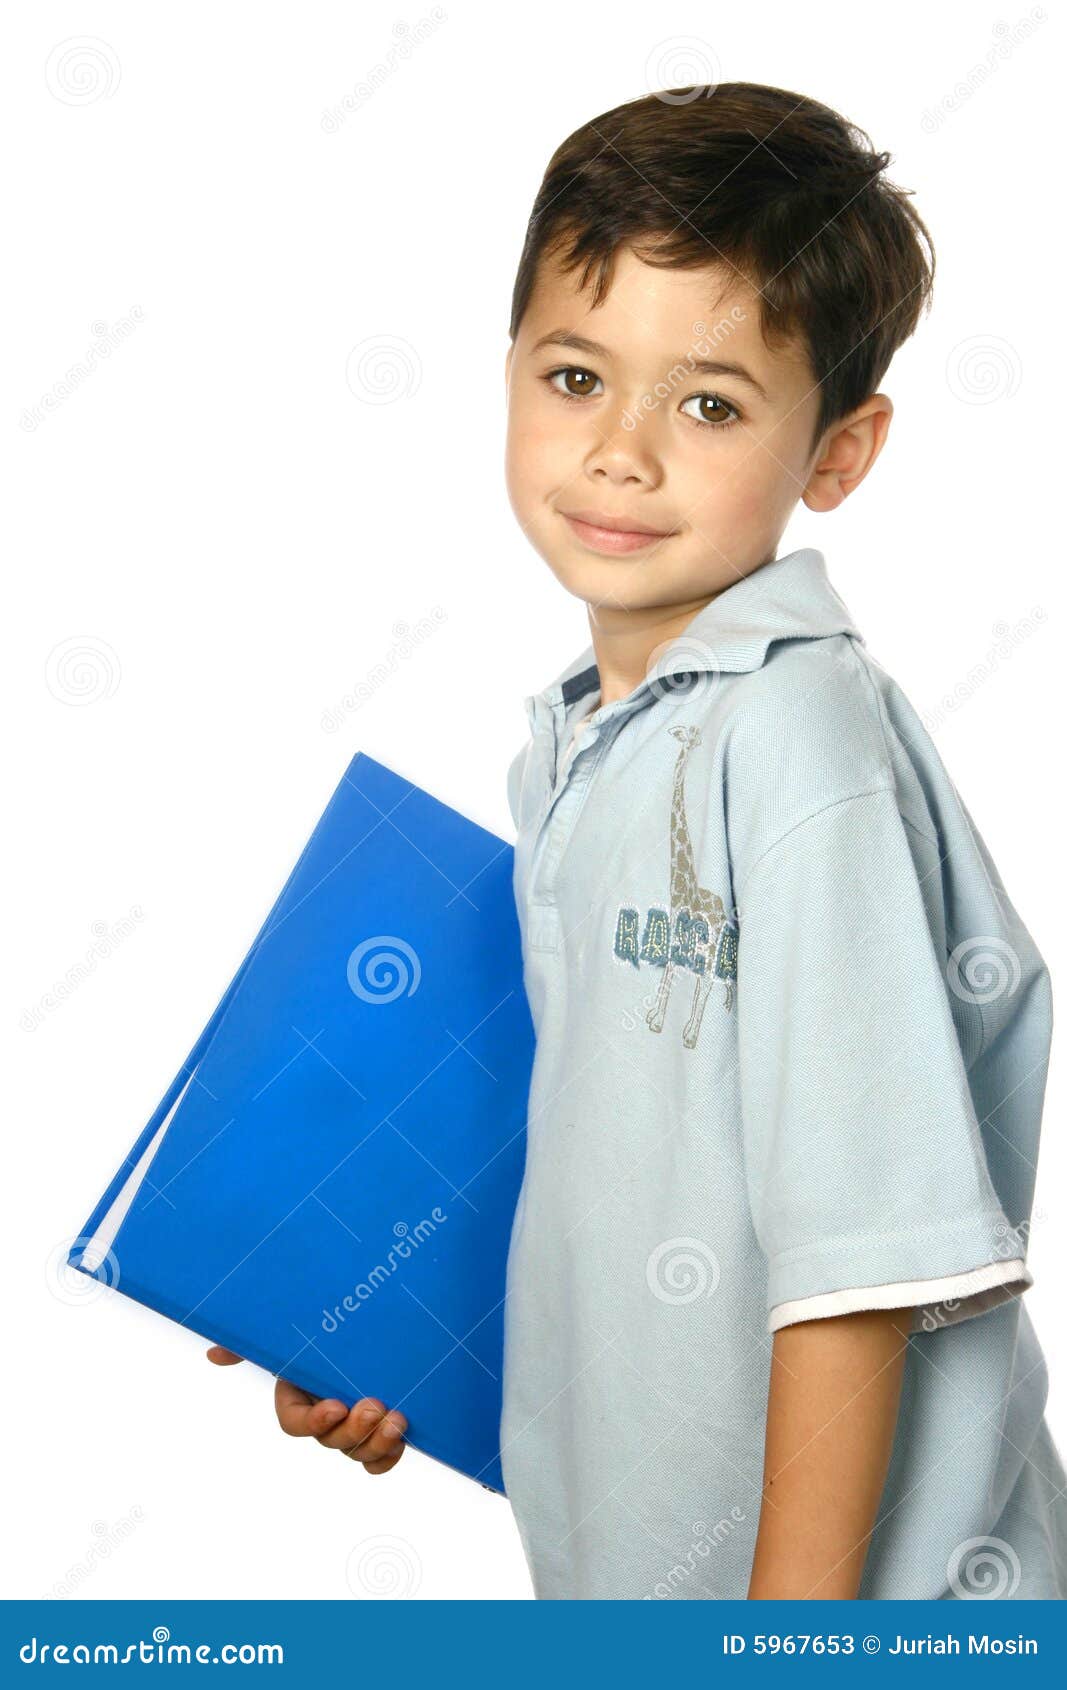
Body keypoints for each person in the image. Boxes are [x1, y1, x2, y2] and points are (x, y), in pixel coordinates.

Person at [209, 81, 1067, 1600]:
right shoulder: (578, 750)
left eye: (712, 402)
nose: (620, 451)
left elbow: (861, 1263)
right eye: (576, 374)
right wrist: (377, 1322)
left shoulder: (794, 738)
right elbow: (619, 1169)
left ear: (841, 453)